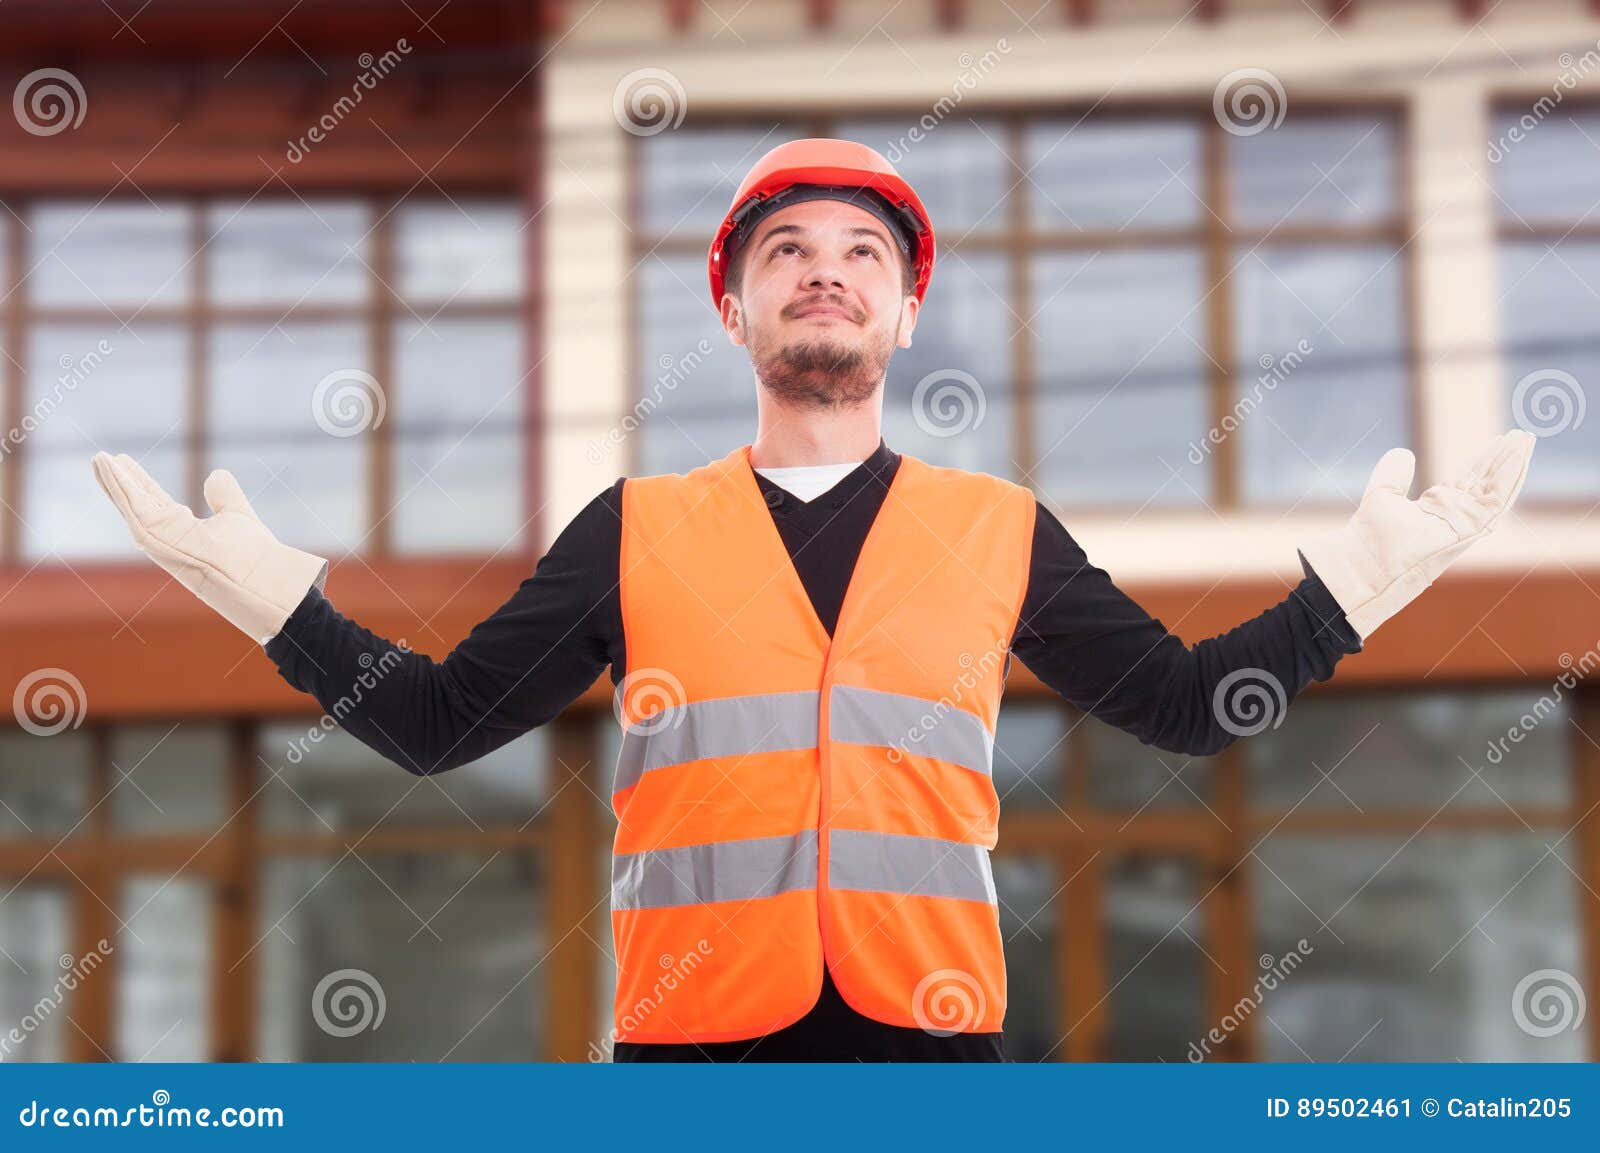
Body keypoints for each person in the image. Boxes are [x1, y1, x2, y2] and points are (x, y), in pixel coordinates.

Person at [90, 138, 1536, 1062]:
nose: (826, 276)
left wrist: (1351, 592)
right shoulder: (632, 530)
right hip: (693, 1053)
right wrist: (278, 602)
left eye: (863, 256)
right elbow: (435, 724)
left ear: (905, 313)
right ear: (735, 309)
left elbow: (1186, 708)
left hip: (933, 1046)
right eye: (787, 252)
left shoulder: (999, 529)